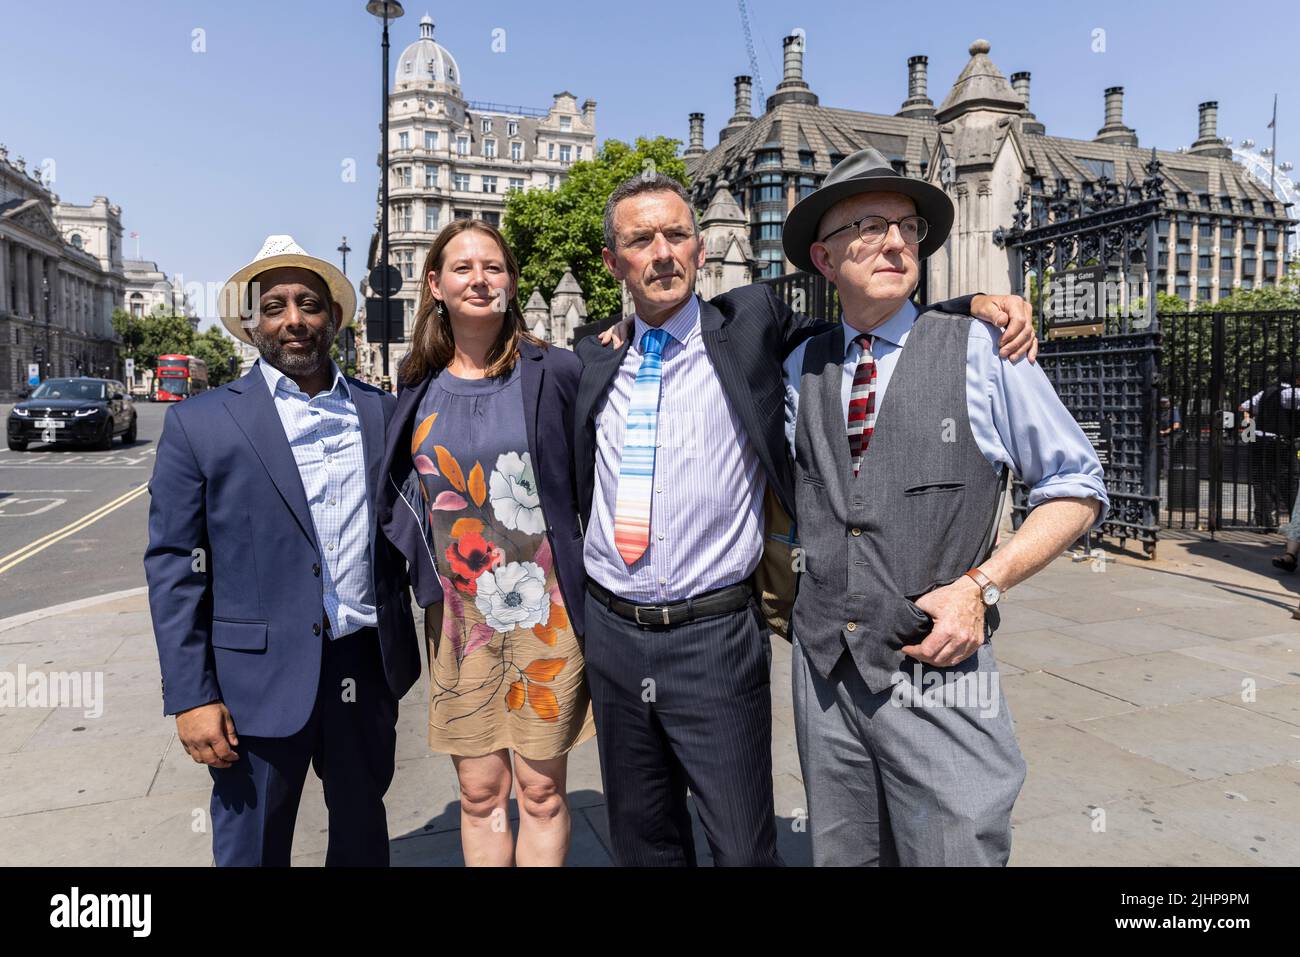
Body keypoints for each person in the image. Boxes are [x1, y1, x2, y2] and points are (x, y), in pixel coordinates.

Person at [571, 169, 1038, 866]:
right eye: (641, 239)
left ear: (702, 249)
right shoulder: (587, 355)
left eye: (677, 234)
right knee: (643, 840)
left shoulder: (754, 326)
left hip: (714, 638)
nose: (663, 251)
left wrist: (974, 303)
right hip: (613, 632)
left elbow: (870, 320)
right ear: (614, 263)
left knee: (740, 842)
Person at [780, 148, 1109, 866]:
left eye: (906, 227)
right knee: (845, 856)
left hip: (941, 674)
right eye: (868, 226)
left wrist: (979, 587)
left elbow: (1078, 485)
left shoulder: (982, 350)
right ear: (823, 257)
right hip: (826, 675)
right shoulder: (799, 364)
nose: (896, 240)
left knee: (956, 848)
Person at [144, 235, 419, 866]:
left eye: (309, 304)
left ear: (335, 319)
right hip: (253, 685)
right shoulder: (200, 423)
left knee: (361, 837)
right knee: (254, 848)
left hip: (364, 667)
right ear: (252, 323)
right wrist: (191, 695)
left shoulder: (381, 414)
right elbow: (173, 566)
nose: (293, 320)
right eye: (274, 306)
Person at [377, 219, 594, 866]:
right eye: (463, 267)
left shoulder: (554, 371)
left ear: (511, 283)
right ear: (435, 284)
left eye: (493, 267)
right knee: (478, 791)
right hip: (459, 620)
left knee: (540, 790)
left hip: (547, 616)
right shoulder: (414, 387)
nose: (479, 278)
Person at [1240, 364, 1300, 528]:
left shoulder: (1266, 392)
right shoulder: (1294, 393)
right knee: (1290, 481)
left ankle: (1263, 521)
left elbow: (1244, 406)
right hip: (1281, 443)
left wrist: (1249, 424)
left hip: (1260, 441)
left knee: (1261, 481)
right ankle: (1296, 521)